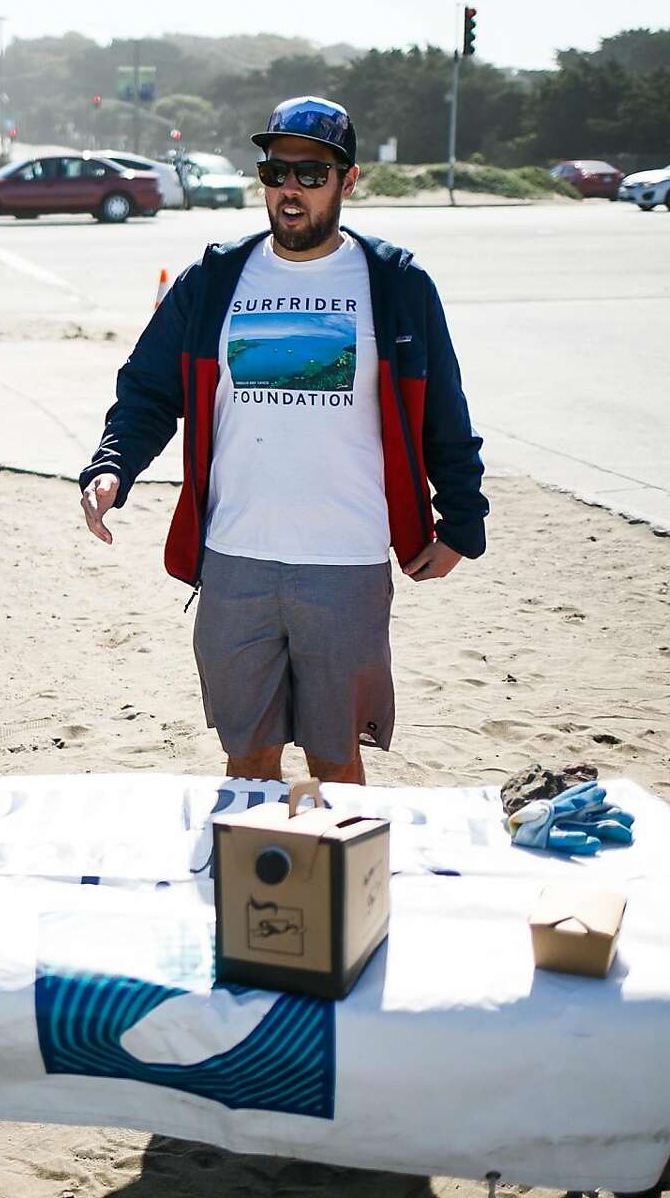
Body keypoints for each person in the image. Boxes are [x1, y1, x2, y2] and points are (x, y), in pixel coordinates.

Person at [79, 96, 487, 785]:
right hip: (237, 559)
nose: (289, 188)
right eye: (275, 171)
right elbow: (149, 388)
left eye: (311, 172)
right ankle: (254, 889)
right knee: (247, 756)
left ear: (348, 181)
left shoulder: (395, 285)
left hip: (345, 561)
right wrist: (113, 464)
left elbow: (442, 409)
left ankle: (342, 887)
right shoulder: (215, 280)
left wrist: (462, 524)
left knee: (335, 758)